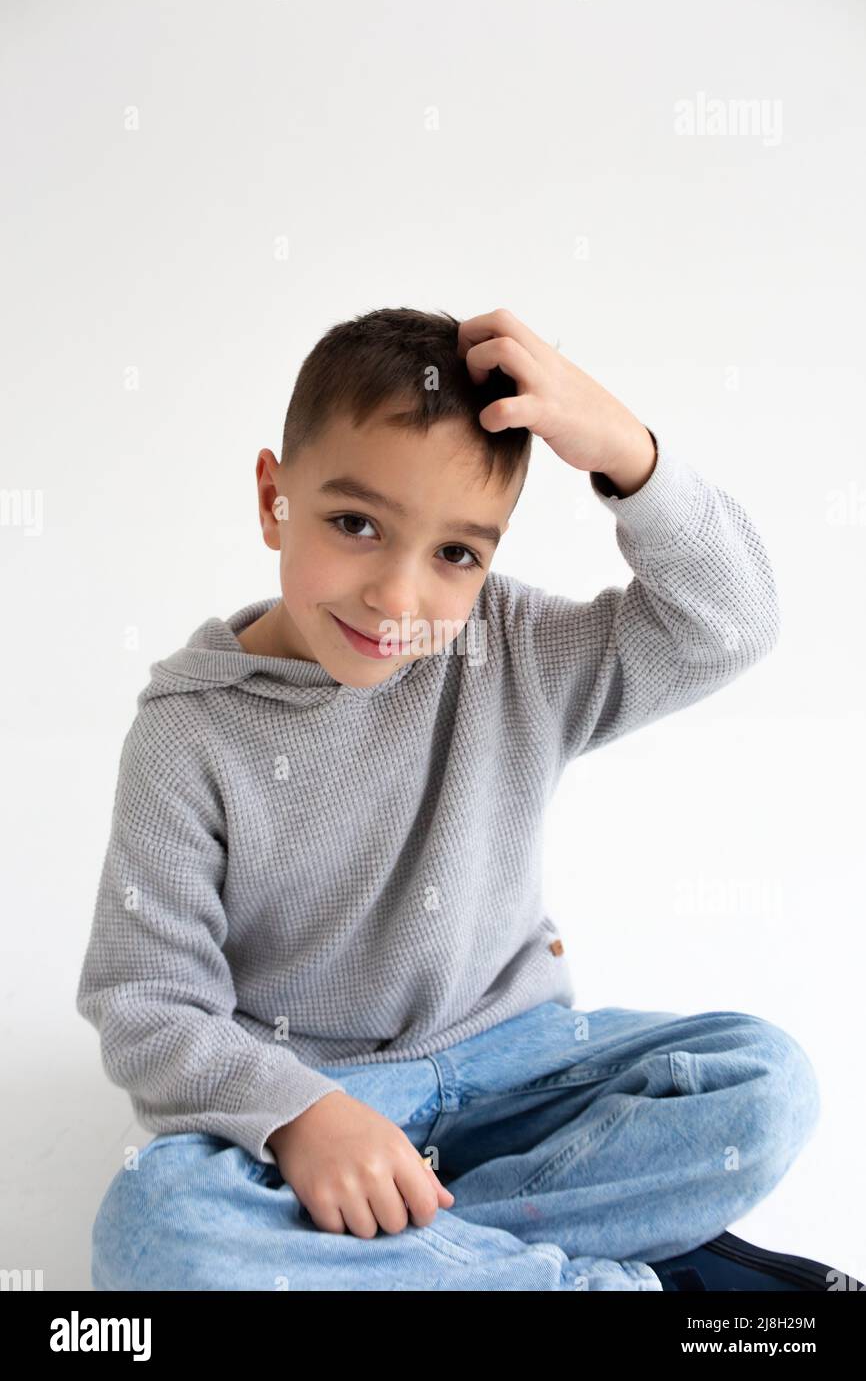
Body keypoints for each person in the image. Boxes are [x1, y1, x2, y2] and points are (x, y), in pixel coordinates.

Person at [76, 306, 857, 1292]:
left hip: (525, 1073)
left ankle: (407, 1257)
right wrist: (300, 1116)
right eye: (355, 525)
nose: (397, 599)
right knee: (154, 1228)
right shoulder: (190, 734)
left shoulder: (512, 647)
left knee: (765, 1083)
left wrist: (626, 452)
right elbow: (148, 1002)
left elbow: (728, 622)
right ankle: (638, 1276)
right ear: (274, 497)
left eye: (455, 554)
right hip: (322, 1104)